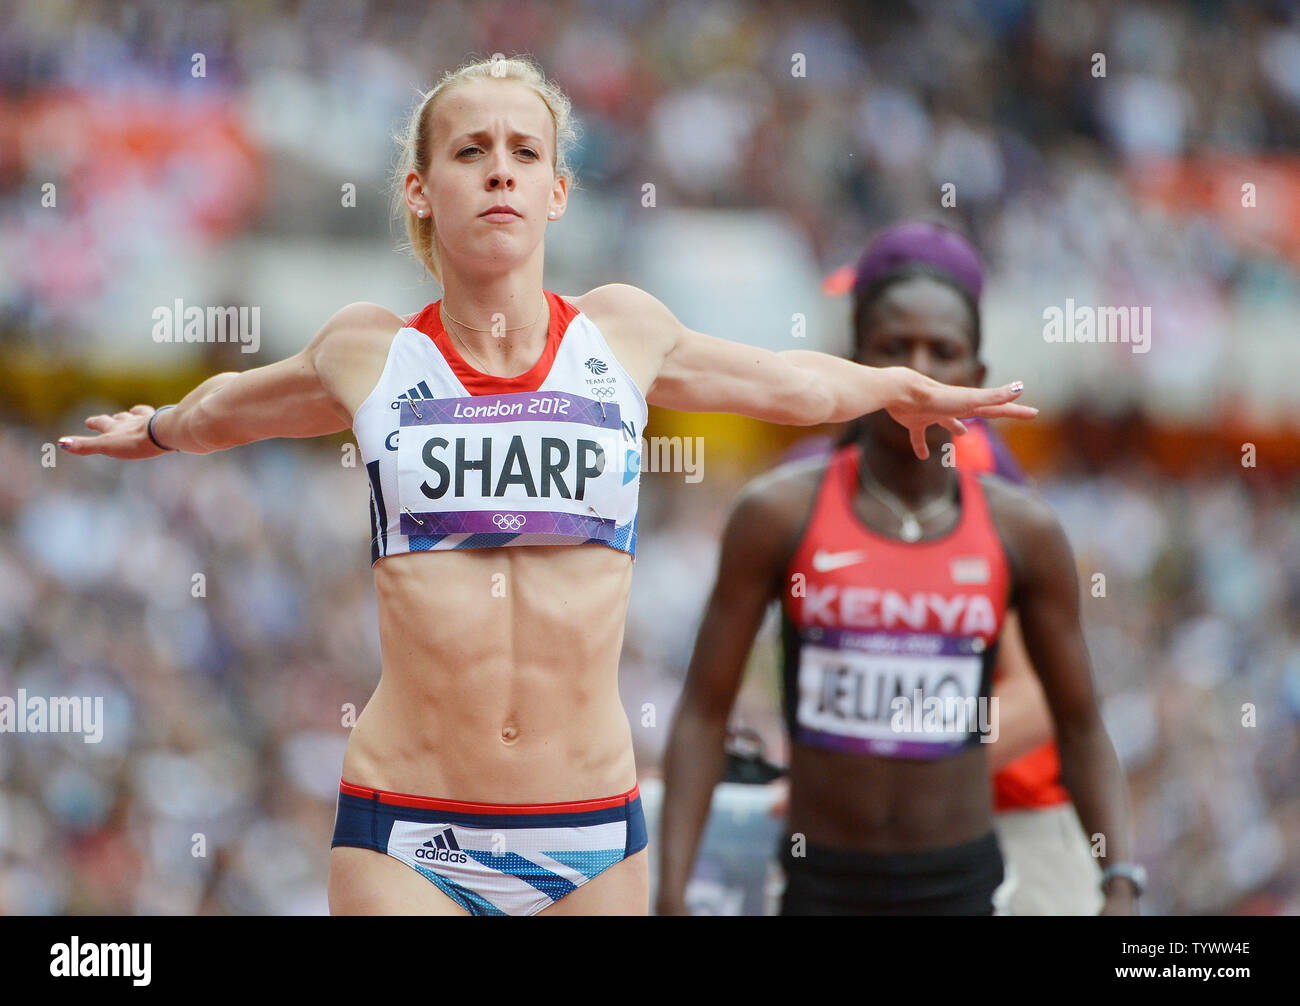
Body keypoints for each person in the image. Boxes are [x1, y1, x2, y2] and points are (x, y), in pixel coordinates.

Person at [54, 61, 1035, 917]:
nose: (499, 169)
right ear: (419, 188)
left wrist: (895, 388)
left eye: (525, 151)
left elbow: (787, 381)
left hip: (588, 827)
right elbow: (234, 405)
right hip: (407, 820)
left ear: (558, 191)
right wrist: (154, 427)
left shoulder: (620, 336)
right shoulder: (370, 352)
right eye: (471, 149)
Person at [656, 222, 1139, 915]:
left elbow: (1071, 714)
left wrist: (1120, 883)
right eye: (892, 349)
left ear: (975, 374)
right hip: (826, 874)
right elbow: (703, 710)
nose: (918, 375)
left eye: (942, 352)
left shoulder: (1011, 514)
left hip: (994, 838)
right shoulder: (783, 505)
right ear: (854, 360)